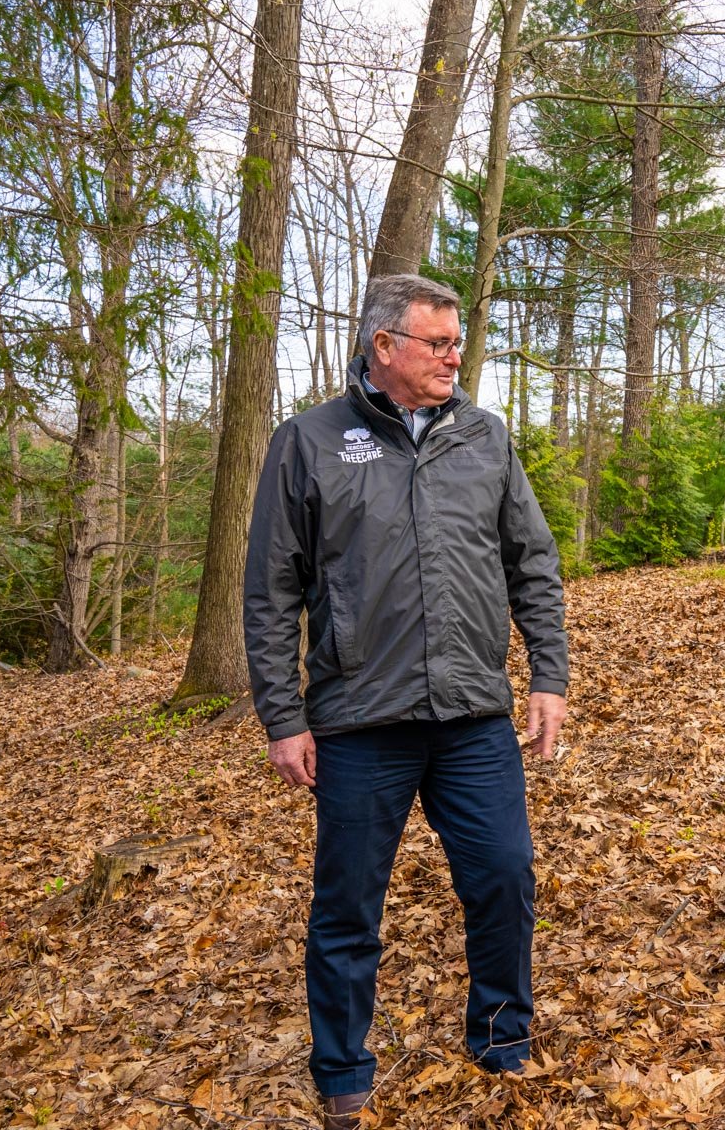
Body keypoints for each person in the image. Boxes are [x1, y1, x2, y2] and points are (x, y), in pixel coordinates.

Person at [244, 273, 568, 1128]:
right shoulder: (308, 441)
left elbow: (531, 563)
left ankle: (502, 1036)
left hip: (472, 717)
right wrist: (283, 718)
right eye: (438, 342)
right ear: (383, 347)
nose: (454, 357)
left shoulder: (486, 440)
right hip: (359, 722)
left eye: (458, 341)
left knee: (504, 876)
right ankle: (342, 1067)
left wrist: (549, 676)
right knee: (348, 903)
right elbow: (271, 589)